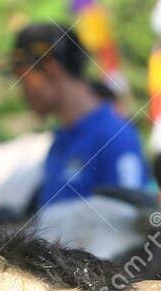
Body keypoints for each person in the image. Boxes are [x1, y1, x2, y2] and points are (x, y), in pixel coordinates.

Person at [11, 23, 148, 212]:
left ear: (50, 67)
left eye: (22, 78)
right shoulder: (60, 142)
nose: (22, 92)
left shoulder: (115, 137)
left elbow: (127, 225)